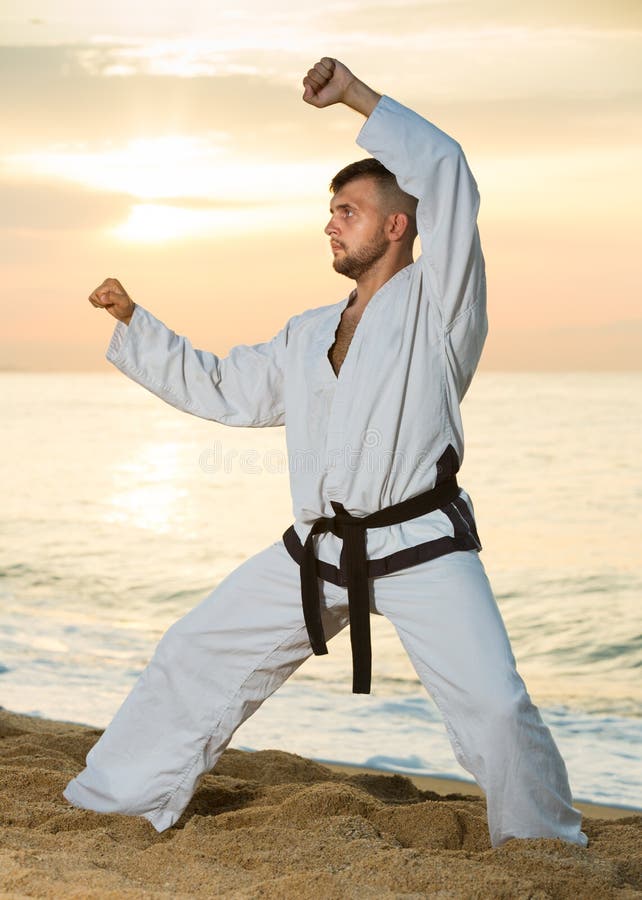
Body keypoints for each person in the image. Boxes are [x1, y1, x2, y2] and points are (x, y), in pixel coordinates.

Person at [63, 57, 587, 849]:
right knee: (196, 651)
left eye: (348, 209)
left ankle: (543, 846)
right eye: (330, 211)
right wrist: (138, 320)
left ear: (397, 225)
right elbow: (224, 387)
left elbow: (446, 169)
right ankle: (114, 801)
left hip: (421, 542)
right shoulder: (309, 331)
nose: (331, 223)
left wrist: (353, 96)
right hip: (321, 546)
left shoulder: (440, 306)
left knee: (494, 705)